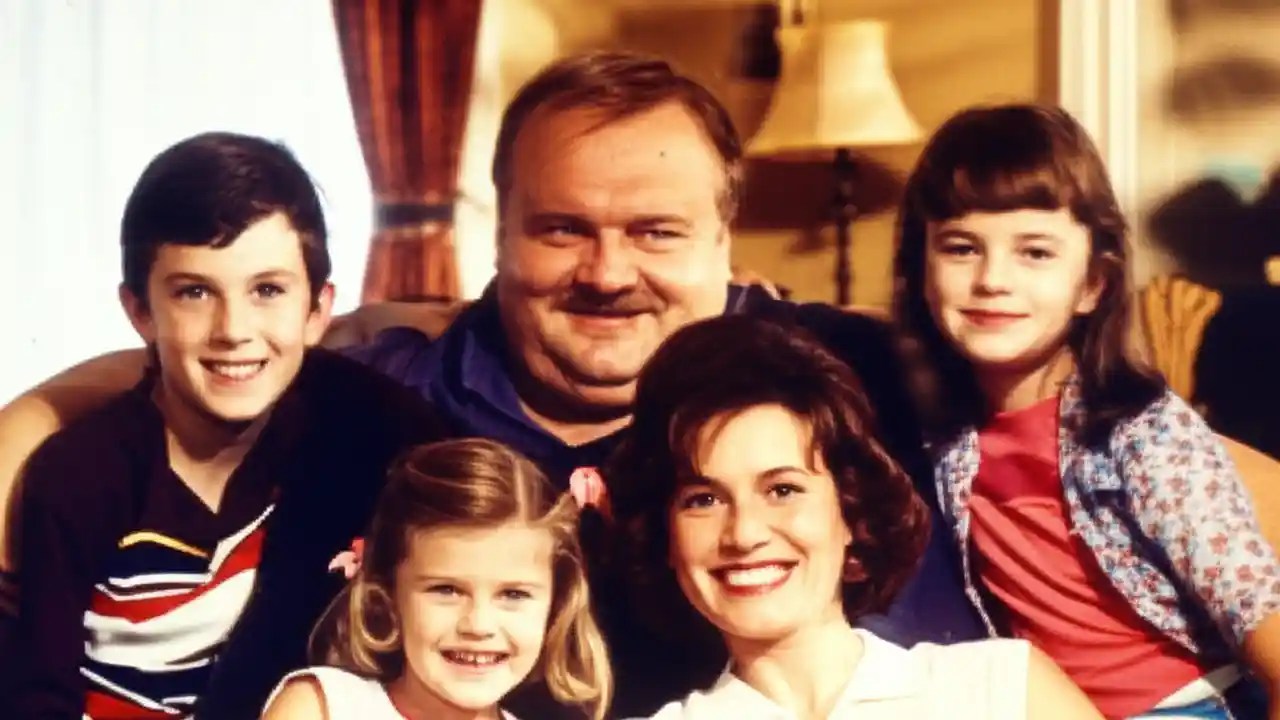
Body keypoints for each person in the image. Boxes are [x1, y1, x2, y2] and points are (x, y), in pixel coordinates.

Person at [0, 52, 982, 716]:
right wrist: (28, 426)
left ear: (722, 240)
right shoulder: (391, 394)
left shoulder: (838, 380)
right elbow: (226, 355)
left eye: (655, 231)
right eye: (562, 229)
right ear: (498, 235)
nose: (607, 273)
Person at [6, 132, 447, 718]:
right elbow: (36, 693)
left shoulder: (371, 427)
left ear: (317, 309)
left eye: (267, 290)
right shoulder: (81, 475)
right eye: (194, 292)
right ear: (140, 311)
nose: (233, 329)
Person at [892, 103, 1280, 719]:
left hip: (1188, 706)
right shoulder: (940, 427)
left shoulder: (1143, 436)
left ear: (1094, 284)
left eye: (1035, 253)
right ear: (921, 271)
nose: (993, 279)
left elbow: (1271, 635)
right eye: (962, 248)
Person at [608, 314, 1101, 719]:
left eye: (782, 490)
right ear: (666, 536)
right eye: (703, 500)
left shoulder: (1001, 689)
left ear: (849, 511)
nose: (744, 533)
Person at [261, 438, 612, 720]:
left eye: (513, 595)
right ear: (387, 597)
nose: (478, 625)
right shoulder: (322, 708)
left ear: (555, 606)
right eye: (447, 590)